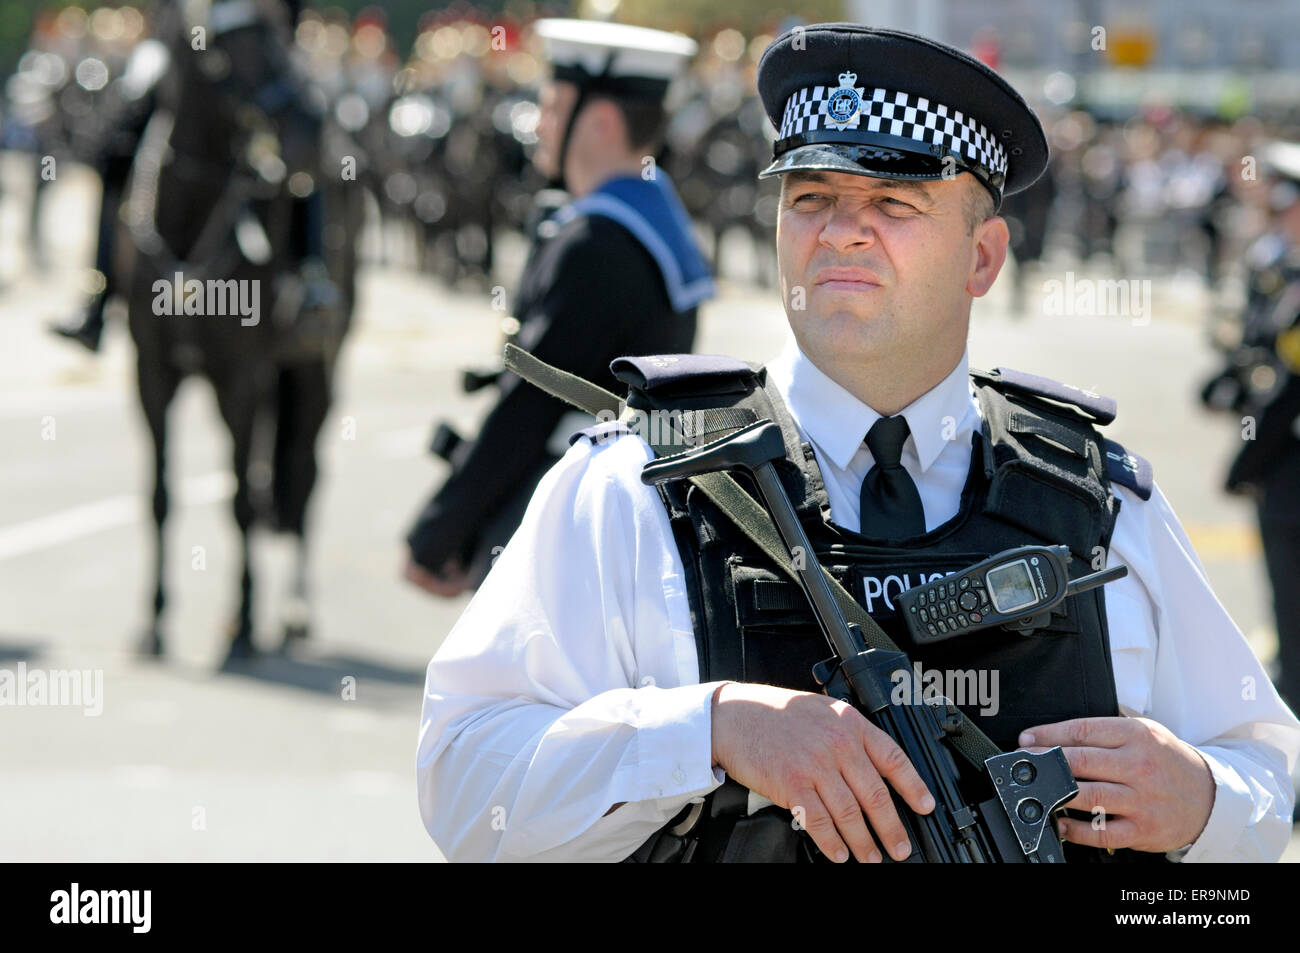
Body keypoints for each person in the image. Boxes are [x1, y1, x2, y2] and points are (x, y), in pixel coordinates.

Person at [417, 23, 1300, 862]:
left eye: (891, 200)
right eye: (811, 199)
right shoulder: (638, 487)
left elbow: (1265, 768)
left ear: (983, 257)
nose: (841, 229)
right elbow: (463, 782)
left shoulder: (1101, 506)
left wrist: (1203, 799)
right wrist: (711, 731)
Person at [403, 19, 711, 597]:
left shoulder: (596, 243)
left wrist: (438, 533)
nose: (537, 123)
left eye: (551, 106)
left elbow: (530, 406)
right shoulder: (647, 216)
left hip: (563, 518)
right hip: (611, 511)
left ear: (599, 121)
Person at [1202, 140, 1300, 717]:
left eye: (1283, 204)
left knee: (1293, 627)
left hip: (1288, 478)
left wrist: (1244, 466)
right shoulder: (1280, 274)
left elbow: (1288, 395)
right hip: (1281, 472)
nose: (1275, 217)